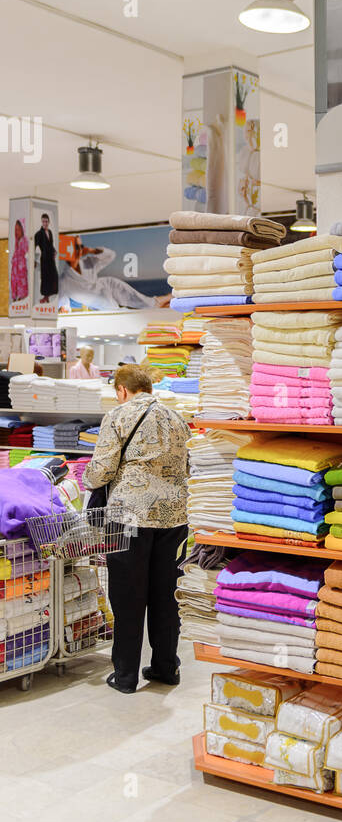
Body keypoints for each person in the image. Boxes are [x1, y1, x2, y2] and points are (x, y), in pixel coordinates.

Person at [83, 364, 189, 692]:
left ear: (122, 390)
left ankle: (126, 675)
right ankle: (166, 667)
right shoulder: (177, 418)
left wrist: (87, 481)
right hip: (174, 515)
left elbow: (100, 470)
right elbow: (187, 465)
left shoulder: (117, 416)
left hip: (130, 515)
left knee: (128, 596)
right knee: (166, 594)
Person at [33, 212, 58, 303]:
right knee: (45, 278)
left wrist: (54, 251)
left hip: (51, 259)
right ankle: (45, 296)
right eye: (43, 221)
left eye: (46, 221)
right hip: (44, 259)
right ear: (41, 222)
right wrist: (33, 260)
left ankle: (48, 296)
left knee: (54, 276)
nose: (45, 223)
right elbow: (33, 247)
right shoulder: (38, 234)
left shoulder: (50, 232)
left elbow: (51, 245)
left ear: (49, 222)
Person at [10, 219, 28, 302]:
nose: (17, 232)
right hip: (15, 271)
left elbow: (27, 254)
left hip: (21, 271)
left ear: (22, 229)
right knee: (15, 285)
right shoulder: (17, 243)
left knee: (21, 285)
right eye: (15, 230)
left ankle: (21, 298)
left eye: (18, 229)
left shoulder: (25, 241)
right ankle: (15, 298)